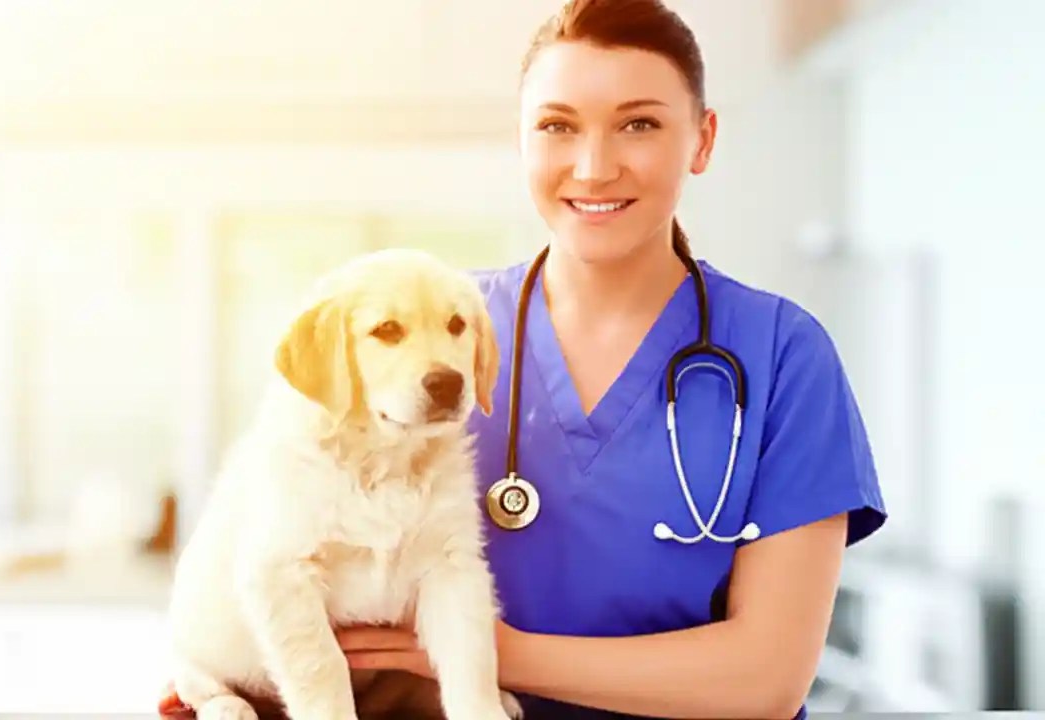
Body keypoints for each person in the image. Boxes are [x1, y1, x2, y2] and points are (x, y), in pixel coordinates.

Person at [161, 0, 886, 717]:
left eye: (639, 123)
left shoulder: (783, 355)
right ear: (522, 143)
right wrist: (228, 686)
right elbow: (274, 540)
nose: (594, 167)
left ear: (701, 139)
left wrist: (490, 653)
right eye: (556, 126)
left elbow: (766, 679)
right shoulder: (437, 332)